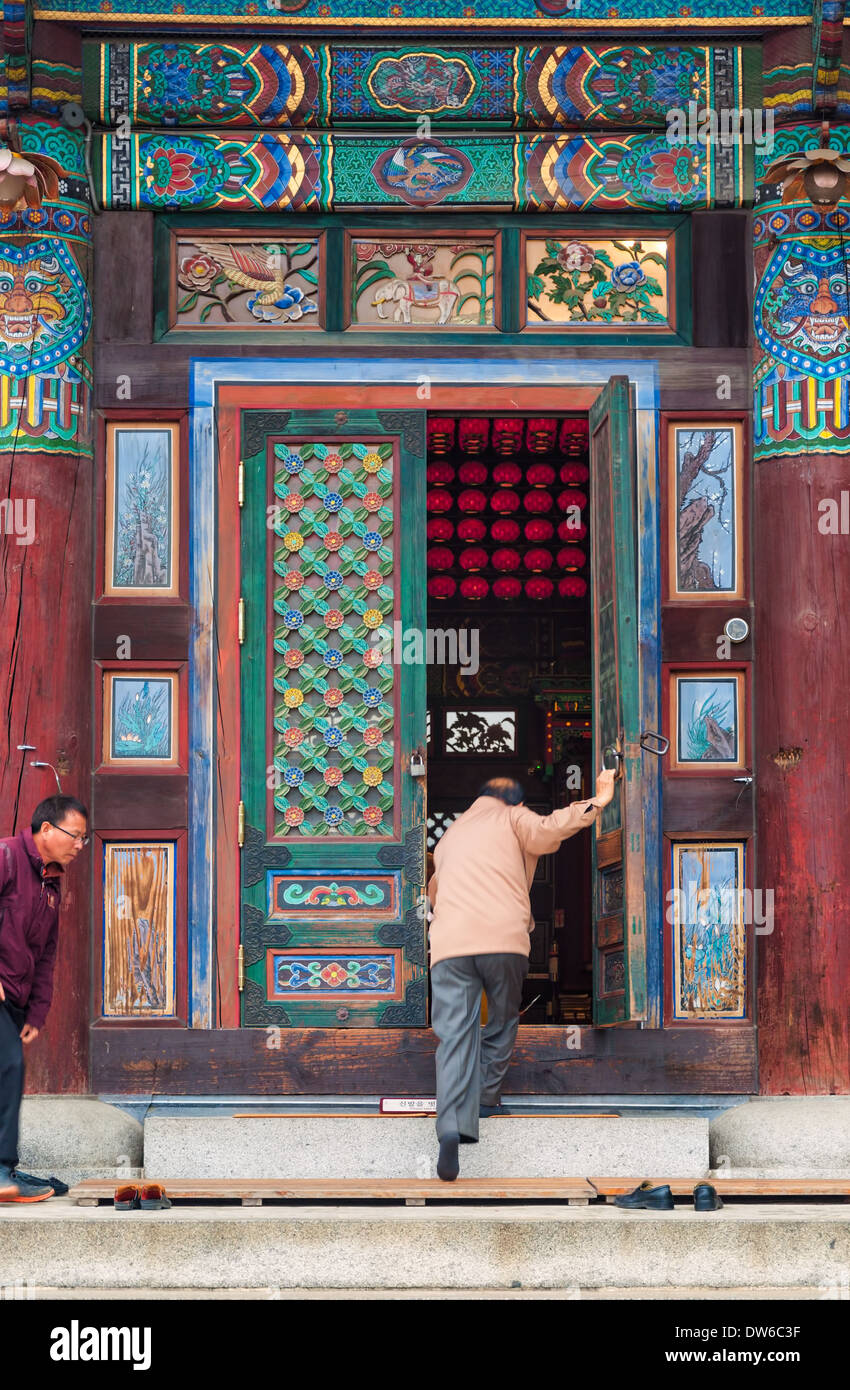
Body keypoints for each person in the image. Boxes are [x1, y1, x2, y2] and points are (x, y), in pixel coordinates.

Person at [427, 769, 616, 1181]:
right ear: (512, 800)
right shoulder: (513, 817)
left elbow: (433, 892)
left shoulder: (450, 835)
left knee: (454, 1034)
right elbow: (550, 830)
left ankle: (449, 1127)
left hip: (449, 947)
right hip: (502, 941)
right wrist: (597, 802)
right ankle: (485, 1100)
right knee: (500, 1021)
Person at [0, 795, 89, 1202]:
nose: (79, 846)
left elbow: (47, 951)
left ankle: (7, 1170)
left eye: (84, 839)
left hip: (15, 1001)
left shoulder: (50, 881)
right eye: (76, 836)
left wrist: (37, 1009)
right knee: (9, 1067)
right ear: (47, 829)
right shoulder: (5, 856)